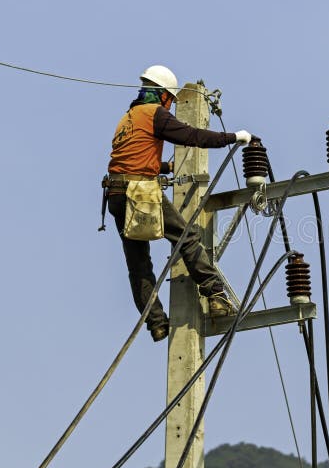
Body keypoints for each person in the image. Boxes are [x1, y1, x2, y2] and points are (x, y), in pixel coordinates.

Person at [105, 65, 251, 342]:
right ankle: (215, 294)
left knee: (139, 265)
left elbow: (130, 159)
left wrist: (162, 166)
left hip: (116, 195)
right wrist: (233, 138)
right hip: (140, 194)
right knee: (186, 237)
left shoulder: (127, 119)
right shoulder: (155, 115)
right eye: (171, 100)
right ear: (162, 96)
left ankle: (157, 323)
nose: (170, 106)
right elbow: (192, 136)